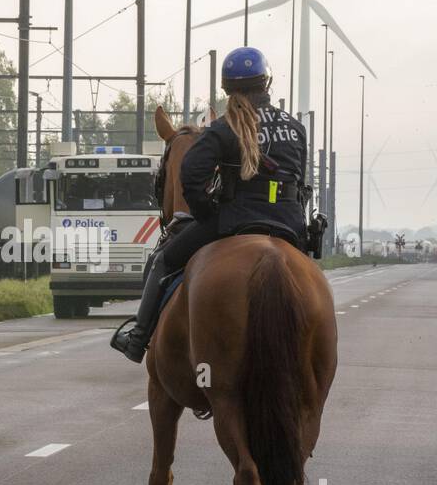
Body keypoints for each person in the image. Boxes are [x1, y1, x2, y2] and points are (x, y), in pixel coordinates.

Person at [110, 46, 309, 363]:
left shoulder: (223, 128)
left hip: (235, 218)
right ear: (267, 85)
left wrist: (207, 213)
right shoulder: (295, 128)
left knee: (163, 259)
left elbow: (191, 174)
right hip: (289, 222)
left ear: (228, 89)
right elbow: (298, 180)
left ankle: (137, 339)